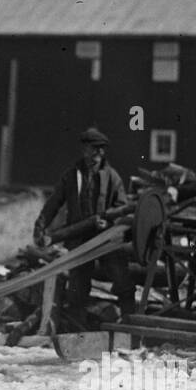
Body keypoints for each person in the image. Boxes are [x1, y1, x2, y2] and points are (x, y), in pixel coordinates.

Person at [33, 127, 133, 328]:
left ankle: (130, 325)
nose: (99, 154)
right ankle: (78, 330)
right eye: (94, 149)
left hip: (105, 239)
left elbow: (122, 206)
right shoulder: (71, 176)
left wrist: (109, 222)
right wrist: (40, 227)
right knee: (77, 289)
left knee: (122, 281)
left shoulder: (112, 177)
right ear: (85, 150)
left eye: (102, 150)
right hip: (79, 239)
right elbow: (54, 202)